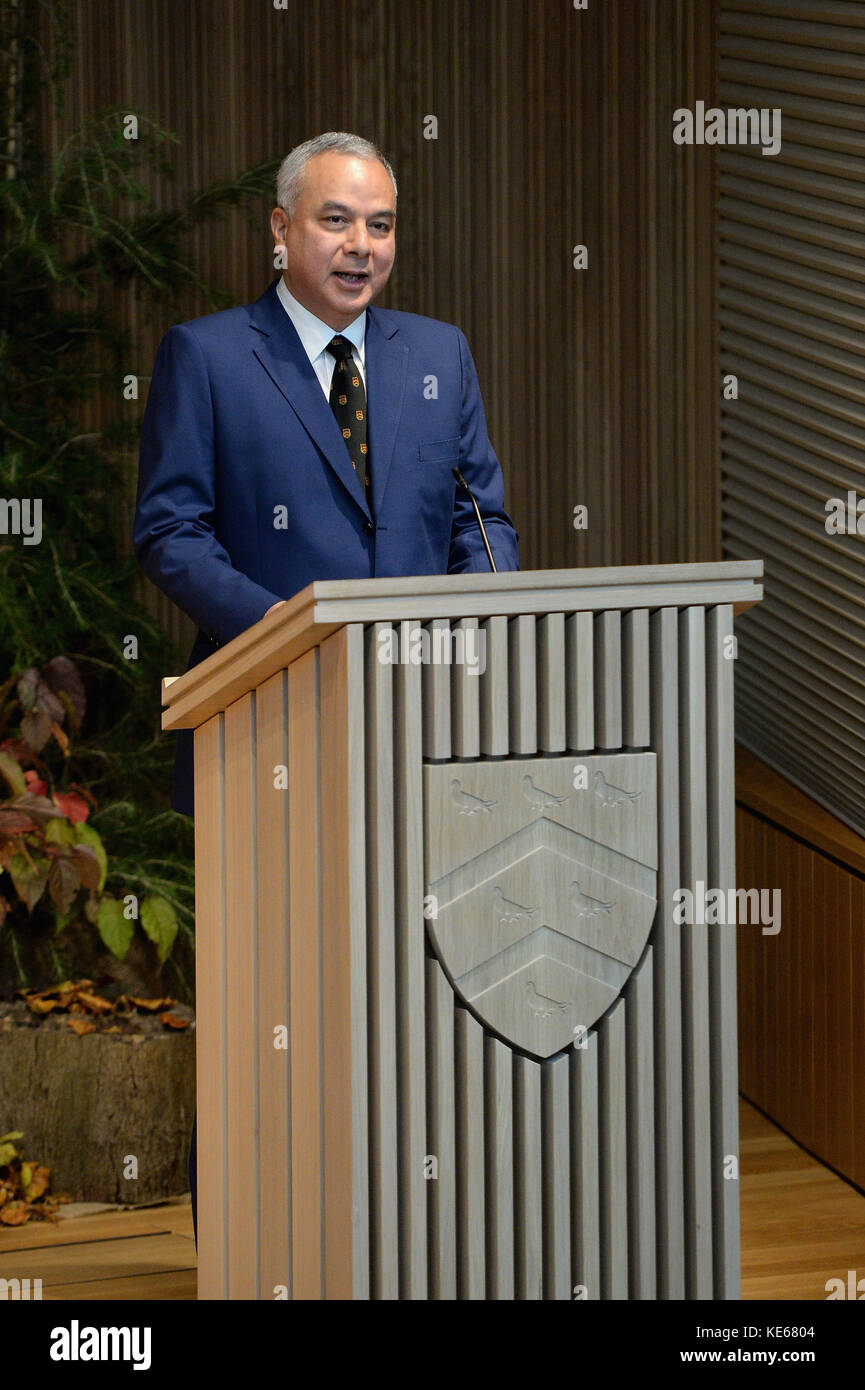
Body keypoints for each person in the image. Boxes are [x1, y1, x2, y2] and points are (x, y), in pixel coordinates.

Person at [133, 130, 520, 1248]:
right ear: (281, 230)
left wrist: (482, 611)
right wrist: (288, 632)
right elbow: (169, 532)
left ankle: (412, 1244)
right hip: (268, 736)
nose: (361, 246)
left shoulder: (438, 350)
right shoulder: (206, 357)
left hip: (428, 741)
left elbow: (478, 517)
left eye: (381, 223)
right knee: (271, 1018)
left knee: (417, 1018)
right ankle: (257, 1252)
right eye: (337, 220)